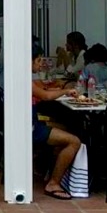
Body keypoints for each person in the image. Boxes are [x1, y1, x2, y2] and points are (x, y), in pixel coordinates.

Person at [31, 44, 82, 200]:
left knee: (66, 128)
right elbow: (45, 97)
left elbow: (44, 92)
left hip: (32, 123)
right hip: (32, 128)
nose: (40, 64)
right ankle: (54, 183)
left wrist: (64, 91)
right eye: (38, 60)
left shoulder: (19, 76)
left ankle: (43, 168)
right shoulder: (24, 78)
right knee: (74, 141)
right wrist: (66, 91)